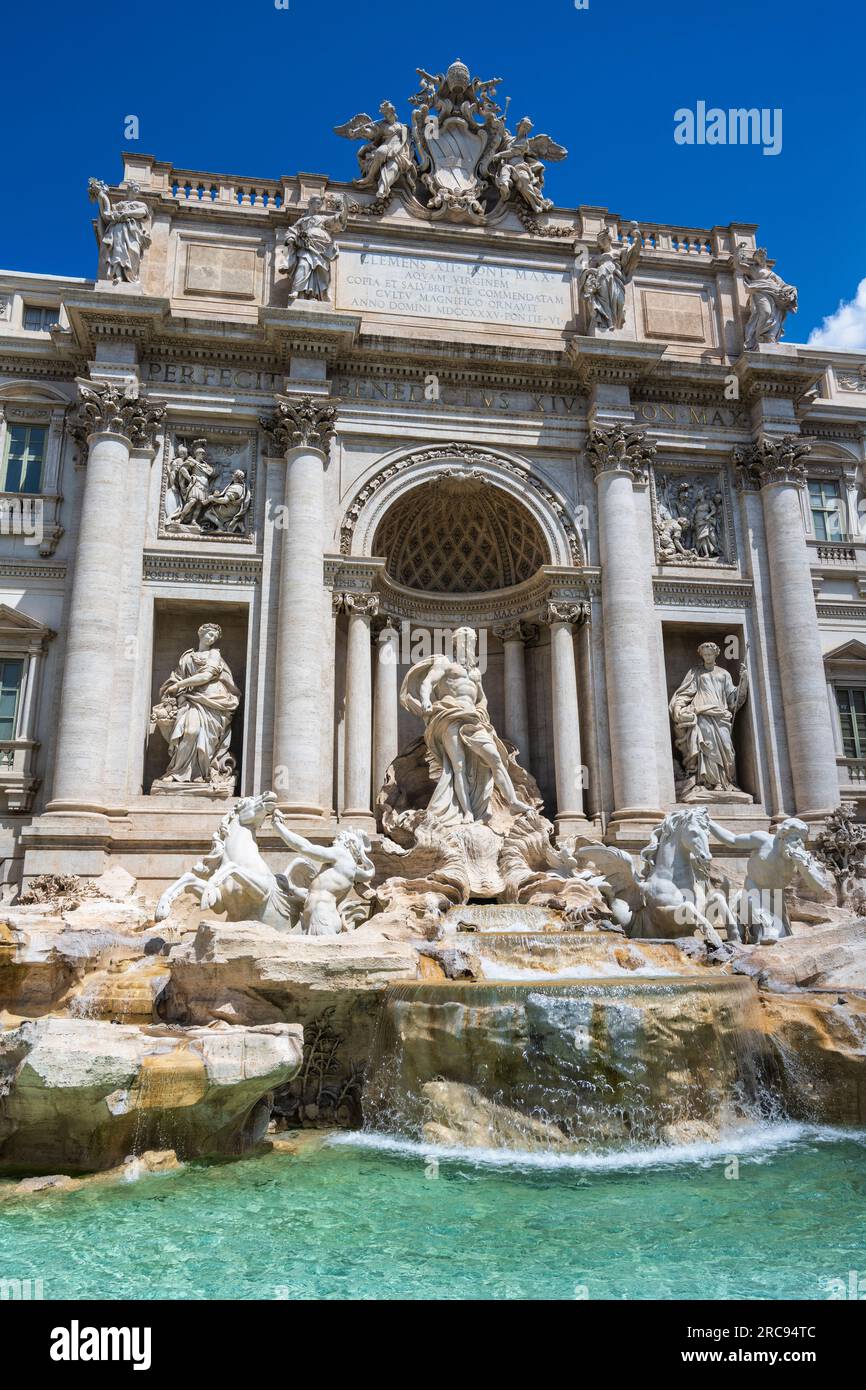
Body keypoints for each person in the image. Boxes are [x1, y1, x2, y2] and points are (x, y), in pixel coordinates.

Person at [400, 626, 534, 825]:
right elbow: (427, 682)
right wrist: (426, 700)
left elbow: (482, 698)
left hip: (473, 719)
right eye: (465, 641)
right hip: (449, 715)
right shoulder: (445, 662)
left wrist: (482, 711)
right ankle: (467, 811)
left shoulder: (476, 672)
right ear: (456, 642)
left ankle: (512, 801)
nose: (469, 645)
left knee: (495, 758)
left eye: (471, 641)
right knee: (458, 766)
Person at [152, 623, 240, 787]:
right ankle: (177, 772)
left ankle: (202, 774)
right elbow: (176, 677)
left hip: (213, 701)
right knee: (190, 731)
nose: (212, 638)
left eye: (215, 636)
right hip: (191, 699)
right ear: (200, 633)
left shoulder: (214, 654)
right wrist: (173, 689)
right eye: (209, 634)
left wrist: (179, 686)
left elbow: (206, 676)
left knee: (205, 738)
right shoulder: (186, 657)